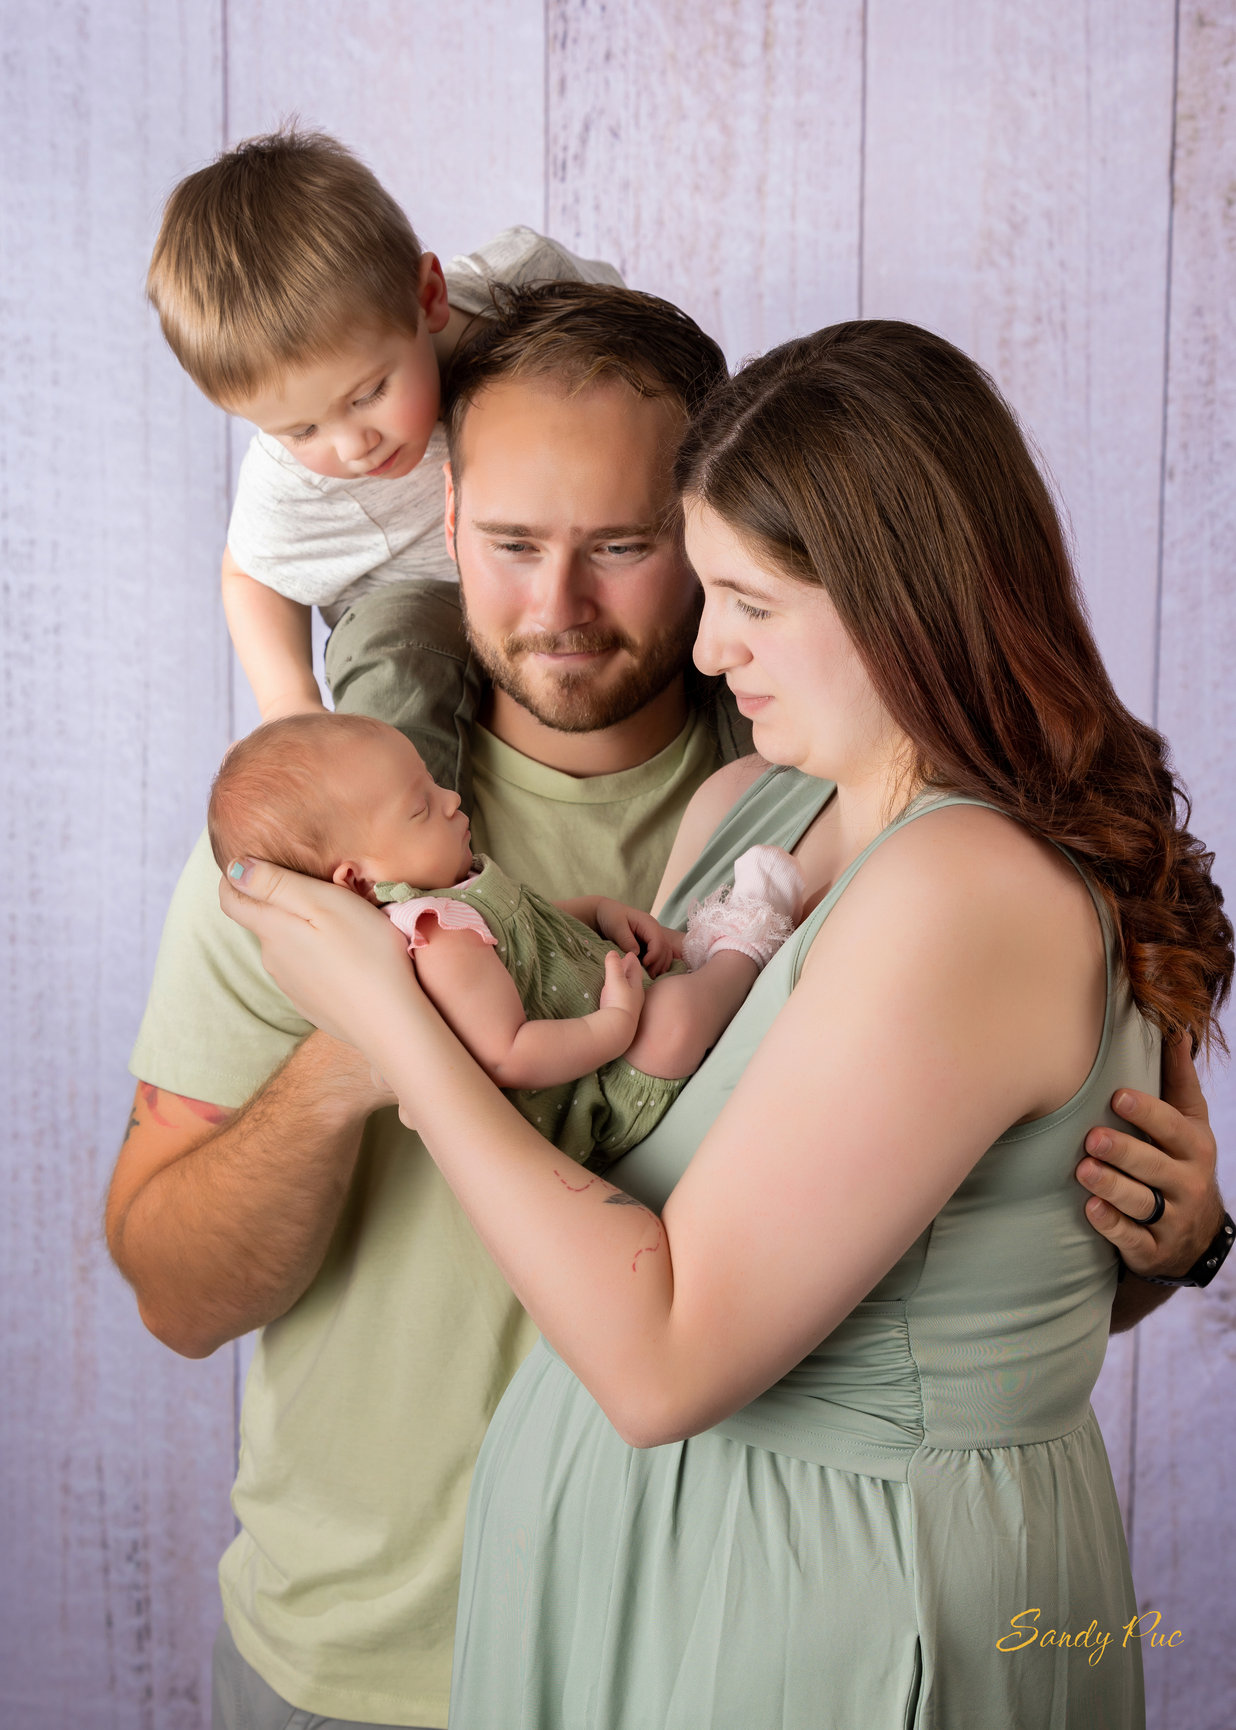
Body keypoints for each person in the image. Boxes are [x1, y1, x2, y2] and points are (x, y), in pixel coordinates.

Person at [108, 286, 1227, 1730]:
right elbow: (170, 1288)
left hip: (795, 1603)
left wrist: (1167, 1247)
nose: (582, 607)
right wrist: (353, 1050)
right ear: (443, 525)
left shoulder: (930, 864)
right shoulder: (331, 836)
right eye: (512, 543)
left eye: (646, 557)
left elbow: (920, 1288)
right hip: (459, 1619)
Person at [146, 127, 621, 721]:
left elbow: (643, 365)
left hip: (556, 599)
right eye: (301, 432)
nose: (353, 448)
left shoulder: (538, 291)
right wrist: (289, 701)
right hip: (427, 622)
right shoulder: (301, 482)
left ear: (428, 297)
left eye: (369, 393)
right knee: (397, 654)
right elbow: (250, 574)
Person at [207, 711, 804, 1165]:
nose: (452, 800)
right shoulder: (436, 935)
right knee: (671, 1016)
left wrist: (598, 912)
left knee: (662, 975)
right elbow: (507, 1054)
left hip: (606, 1029)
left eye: (434, 784)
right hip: (603, 1093)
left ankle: (694, 958)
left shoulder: (457, 895)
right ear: (359, 880)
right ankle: (742, 948)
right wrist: (616, 1026)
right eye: (421, 808)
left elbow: (529, 930)